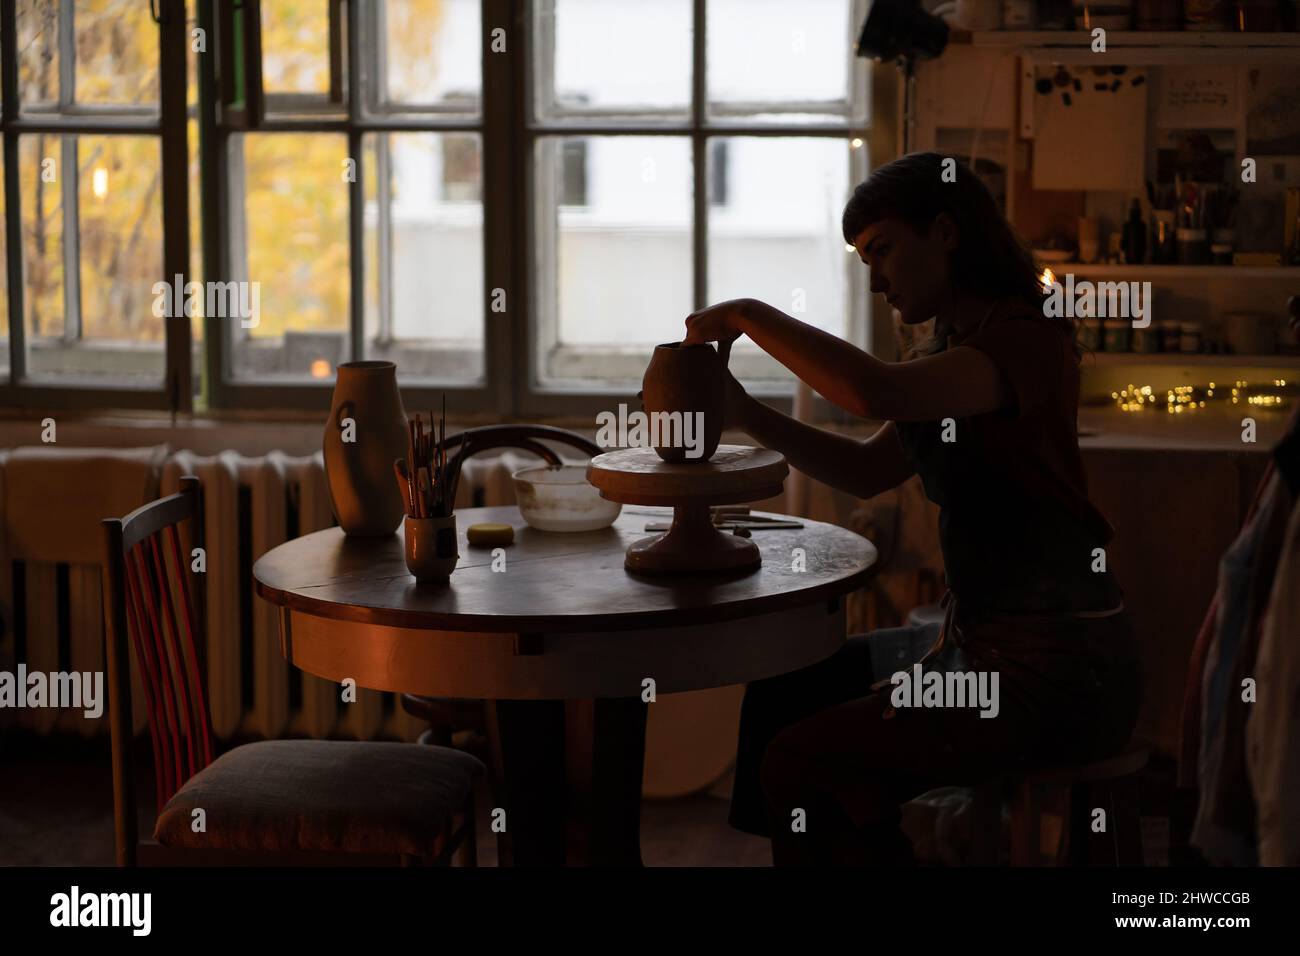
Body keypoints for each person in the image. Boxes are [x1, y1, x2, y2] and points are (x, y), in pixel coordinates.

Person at [682, 152, 1143, 866]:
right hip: (982, 648)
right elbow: (867, 470)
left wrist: (748, 315)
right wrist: (744, 412)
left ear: (947, 232)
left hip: (1057, 676)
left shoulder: (1023, 341)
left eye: (883, 250)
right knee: (785, 687)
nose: (876, 278)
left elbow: (879, 392)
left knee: (798, 763)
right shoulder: (955, 349)